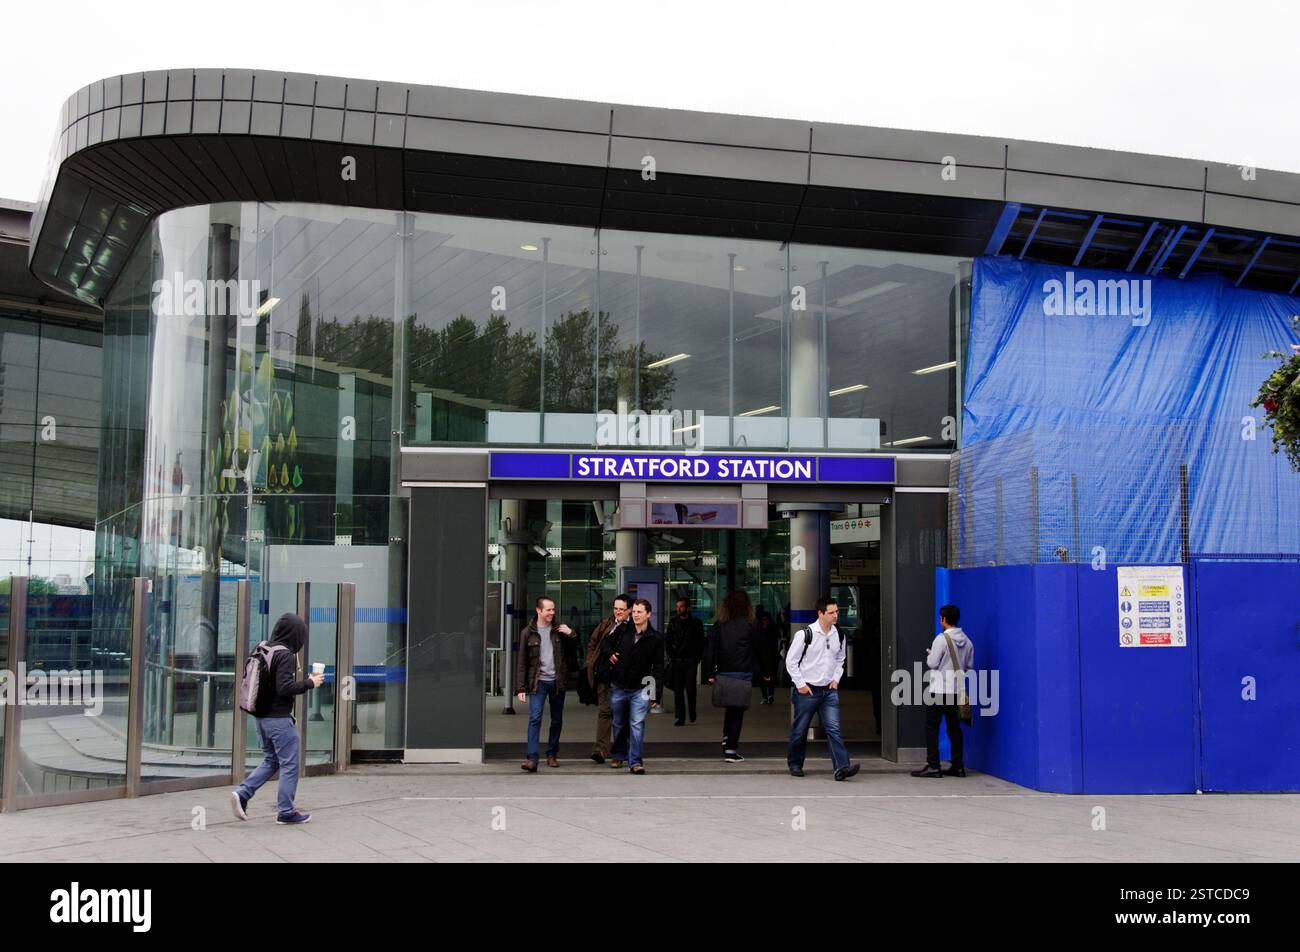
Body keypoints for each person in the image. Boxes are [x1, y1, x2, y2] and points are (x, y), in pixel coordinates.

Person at [231, 612, 325, 824]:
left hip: (261, 718)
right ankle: (286, 811)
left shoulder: (262, 647)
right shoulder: (285, 655)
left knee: (271, 760)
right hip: (279, 719)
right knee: (290, 764)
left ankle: (243, 794)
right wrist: (310, 682)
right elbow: (284, 688)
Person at [785, 596, 860, 781]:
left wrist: (836, 679)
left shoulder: (839, 634)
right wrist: (800, 685)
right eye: (831, 612)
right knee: (800, 729)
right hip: (807, 691)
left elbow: (840, 659)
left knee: (834, 729)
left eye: (837, 612)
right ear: (820, 613)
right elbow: (790, 661)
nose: (835, 616)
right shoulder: (805, 634)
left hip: (829, 691)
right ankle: (795, 764)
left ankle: (842, 767)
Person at [597, 597, 664, 774]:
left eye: (639, 612)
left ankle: (635, 761)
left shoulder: (655, 638)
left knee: (637, 724)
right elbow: (605, 644)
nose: (635, 615)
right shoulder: (623, 630)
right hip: (619, 685)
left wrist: (655, 694)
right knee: (618, 723)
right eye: (633, 611)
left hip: (640, 688)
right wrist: (611, 653)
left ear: (648, 614)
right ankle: (619, 755)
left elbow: (658, 668)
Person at [912, 604, 973, 779]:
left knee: (931, 727)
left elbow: (932, 664)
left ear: (944, 620)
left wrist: (931, 654)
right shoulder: (967, 641)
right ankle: (958, 766)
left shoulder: (941, 639)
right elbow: (969, 667)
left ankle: (933, 766)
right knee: (954, 729)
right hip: (956, 691)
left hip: (939, 690)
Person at [515, 596, 577, 771]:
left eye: (553, 610)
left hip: (557, 681)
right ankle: (532, 759)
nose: (552, 613)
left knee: (556, 720)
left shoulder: (559, 629)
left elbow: (575, 649)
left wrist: (571, 633)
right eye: (548, 609)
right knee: (535, 718)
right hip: (538, 682)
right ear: (538, 611)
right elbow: (521, 662)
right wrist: (520, 687)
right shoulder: (527, 632)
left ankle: (552, 754)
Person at [706, 590, 764, 762]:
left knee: (730, 707)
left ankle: (726, 738)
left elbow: (710, 650)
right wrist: (766, 671)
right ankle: (731, 748)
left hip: (724, 671)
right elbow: (761, 648)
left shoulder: (720, 624)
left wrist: (709, 672)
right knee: (737, 711)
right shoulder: (751, 624)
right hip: (743, 672)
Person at [585, 593, 630, 763]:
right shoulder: (606, 625)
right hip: (604, 675)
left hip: (623, 679)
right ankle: (600, 750)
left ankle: (622, 750)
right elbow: (594, 643)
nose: (618, 612)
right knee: (605, 712)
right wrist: (591, 662)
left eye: (622, 609)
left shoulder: (633, 628)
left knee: (622, 715)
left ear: (629, 610)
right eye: (616, 608)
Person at [665, 597, 705, 726]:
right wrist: (671, 656)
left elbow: (701, 642)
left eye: (681, 606)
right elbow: (668, 641)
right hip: (677, 660)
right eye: (677, 606)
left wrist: (697, 658)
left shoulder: (696, 623)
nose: (678, 609)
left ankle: (692, 711)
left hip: (690, 661)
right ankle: (680, 717)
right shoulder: (673, 622)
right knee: (678, 690)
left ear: (688, 608)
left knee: (690, 689)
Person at [755, 607, 780, 704]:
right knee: (762, 677)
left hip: (770, 657)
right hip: (762, 657)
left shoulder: (772, 630)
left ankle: (770, 695)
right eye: (763, 620)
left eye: (766, 620)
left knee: (771, 676)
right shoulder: (759, 630)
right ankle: (765, 696)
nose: (765, 622)